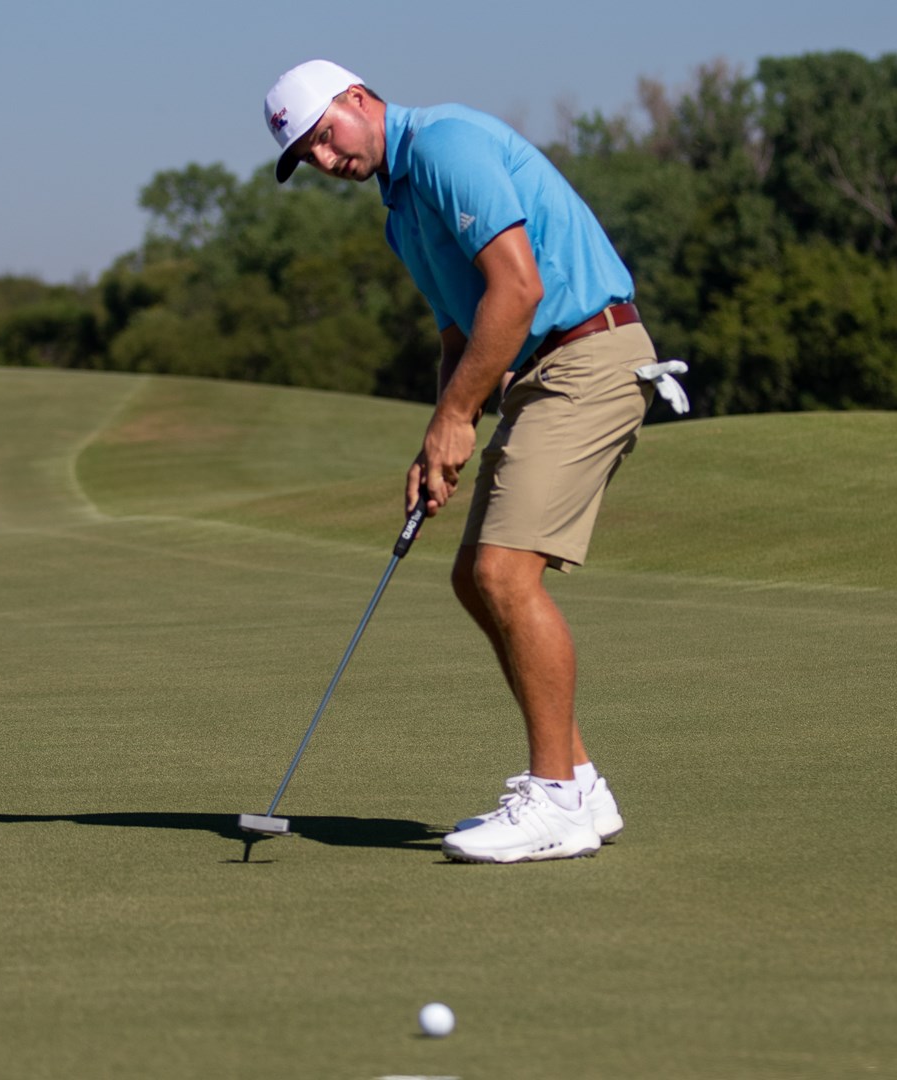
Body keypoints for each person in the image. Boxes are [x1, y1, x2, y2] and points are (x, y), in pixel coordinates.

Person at [261, 60, 687, 864]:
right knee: (472, 577)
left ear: (358, 98)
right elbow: (460, 332)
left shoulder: (443, 145)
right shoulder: (400, 213)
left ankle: (554, 799)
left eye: (323, 134)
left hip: (587, 356)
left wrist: (459, 417)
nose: (323, 158)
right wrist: (438, 437)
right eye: (306, 155)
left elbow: (517, 291)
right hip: (540, 375)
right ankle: (581, 784)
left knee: (502, 574)